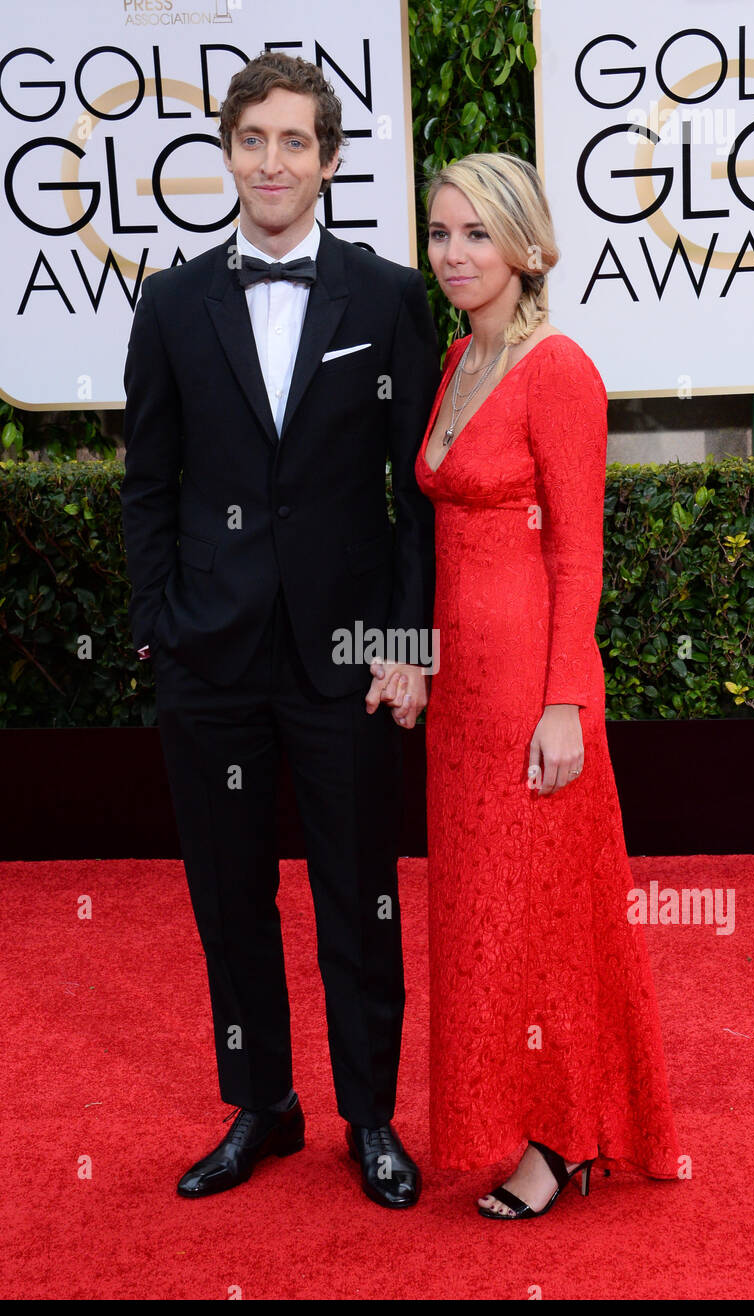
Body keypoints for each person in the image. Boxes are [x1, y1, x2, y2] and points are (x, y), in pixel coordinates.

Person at [120, 51, 440, 1208]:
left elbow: (418, 494)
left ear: (330, 160)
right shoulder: (170, 302)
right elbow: (146, 482)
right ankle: (263, 1104)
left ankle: (370, 1117)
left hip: (352, 654)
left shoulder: (388, 295)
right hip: (210, 654)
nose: (271, 161)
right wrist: (158, 623)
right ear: (227, 154)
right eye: (252, 140)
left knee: (360, 892)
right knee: (229, 894)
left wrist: (411, 647)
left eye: (293, 141)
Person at [390, 150, 681, 1218]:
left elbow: (578, 553)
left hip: (529, 690)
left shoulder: (556, 368)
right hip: (460, 694)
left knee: (549, 917)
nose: (454, 254)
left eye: (475, 233)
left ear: (526, 244)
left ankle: (564, 1139)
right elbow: (437, 538)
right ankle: (522, 1116)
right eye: (439, 234)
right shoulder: (459, 360)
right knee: (484, 916)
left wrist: (565, 700)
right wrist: (413, 659)